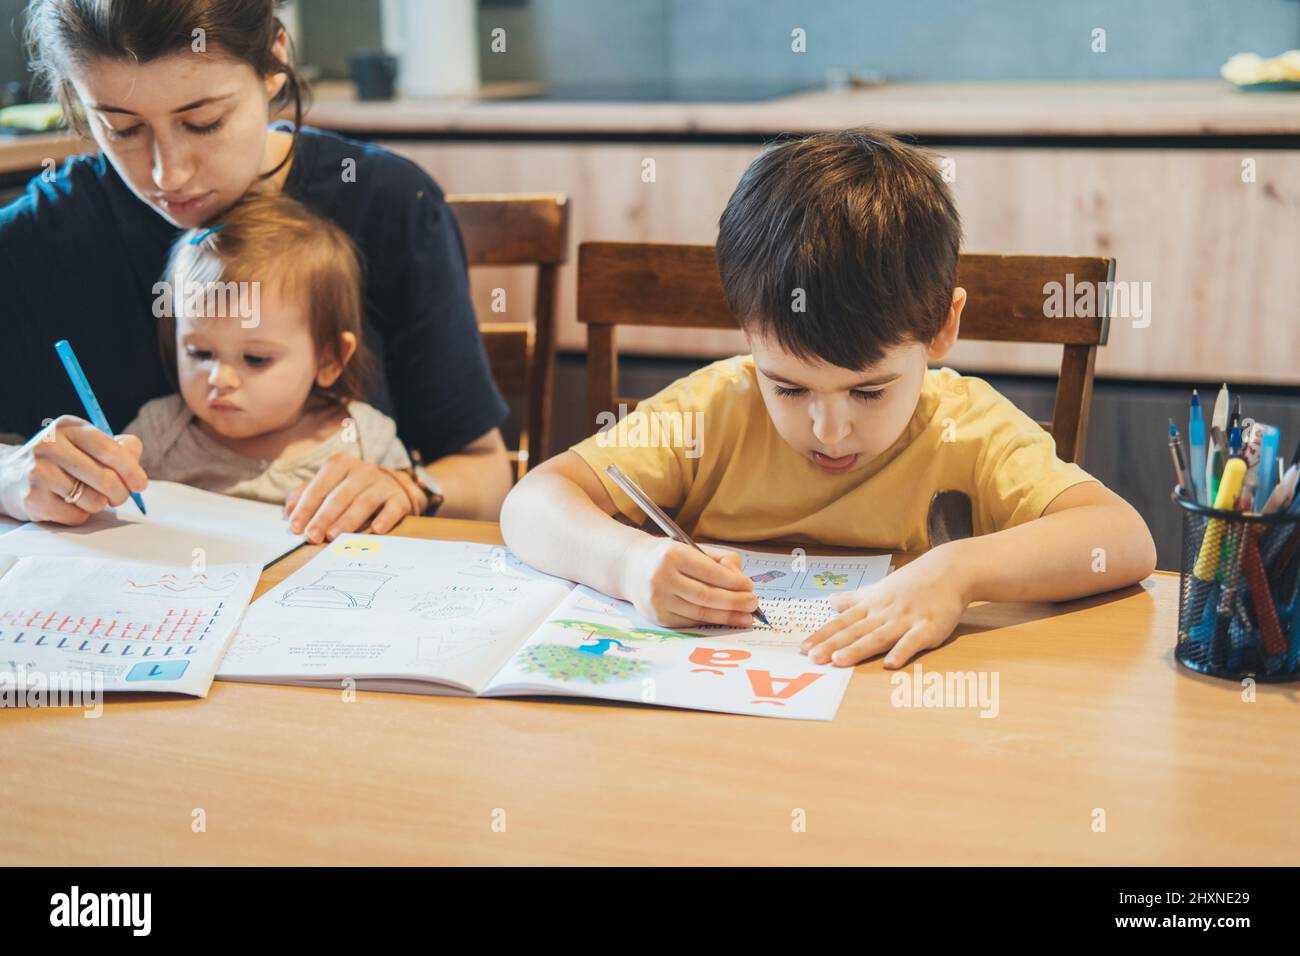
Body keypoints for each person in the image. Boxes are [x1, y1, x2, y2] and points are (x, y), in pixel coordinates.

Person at [500, 128, 1157, 669]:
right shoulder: (712, 408)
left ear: (942, 330)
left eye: (868, 390)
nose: (830, 430)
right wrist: (630, 561)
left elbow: (1123, 539)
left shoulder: (962, 422)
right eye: (787, 386)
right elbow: (530, 504)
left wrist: (959, 573)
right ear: (749, 336)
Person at [0, 0, 511, 537]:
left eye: (204, 122)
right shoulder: (35, 240)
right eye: (121, 128)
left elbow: (486, 470)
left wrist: (409, 487)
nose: (168, 173)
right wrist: (11, 475)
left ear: (273, 62)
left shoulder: (389, 204)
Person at [119, 191, 432, 539]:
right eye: (199, 353)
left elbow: (417, 521)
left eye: (255, 359)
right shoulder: (158, 435)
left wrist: (403, 493)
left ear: (329, 359)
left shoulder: (363, 439)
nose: (219, 379)